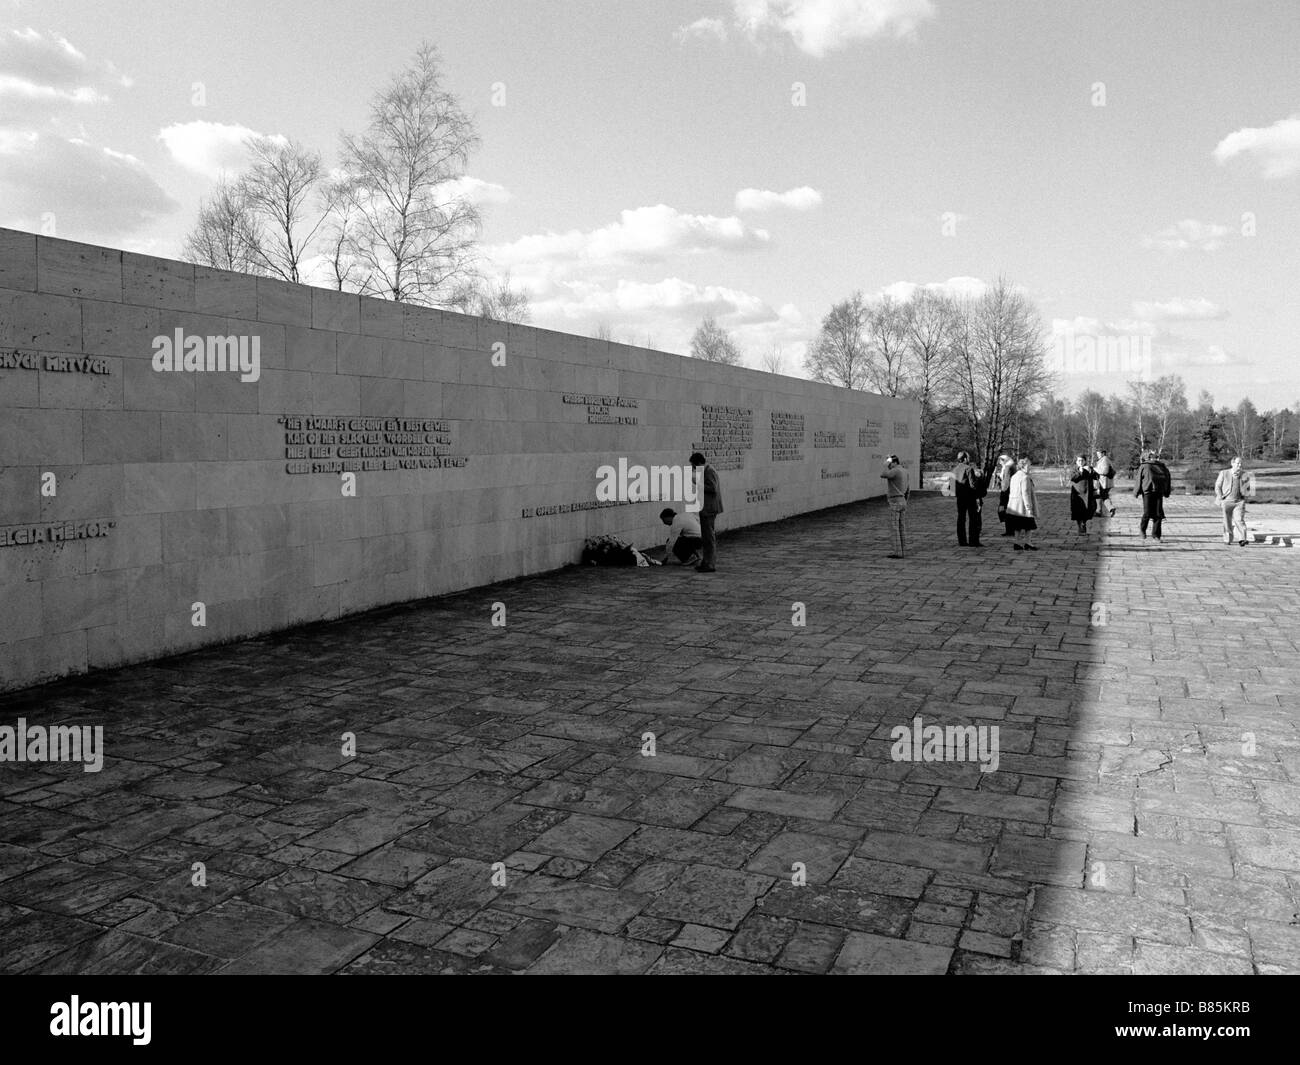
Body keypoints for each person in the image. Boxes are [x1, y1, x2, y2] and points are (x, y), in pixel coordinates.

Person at [689, 452, 722, 572]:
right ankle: (706, 562)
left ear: (698, 463)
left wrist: (697, 483)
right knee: (706, 537)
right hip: (705, 508)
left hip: (709, 508)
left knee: (709, 537)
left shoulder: (709, 471)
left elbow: (713, 488)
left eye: (693, 466)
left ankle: (710, 564)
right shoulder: (706, 470)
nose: (693, 468)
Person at [1214, 455, 1255, 547]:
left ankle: (1242, 539)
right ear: (1232, 463)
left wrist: (1245, 499)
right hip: (1226, 500)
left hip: (1239, 502)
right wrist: (1220, 498)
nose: (1240, 465)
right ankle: (1227, 539)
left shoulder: (1245, 474)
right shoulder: (1224, 473)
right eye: (1238, 463)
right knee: (1227, 521)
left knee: (1239, 520)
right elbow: (1218, 486)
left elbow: (1248, 490)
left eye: (1241, 463)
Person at [1134, 449, 1171, 542]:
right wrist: (1136, 491)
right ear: (1148, 457)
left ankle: (1156, 535)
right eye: (1152, 455)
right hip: (1147, 491)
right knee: (1147, 513)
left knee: (1158, 514)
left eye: (1155, 455)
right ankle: (1142, 530)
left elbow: (1167, 479)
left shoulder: (1162, 467)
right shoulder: (1144, 466)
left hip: (1159, 491)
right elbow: (1139, 479)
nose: (1155, 457)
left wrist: (1167, 491)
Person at [1006, 455, 1039, 551]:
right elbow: (1025, 493)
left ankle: (1017, 543)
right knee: (1029, 525)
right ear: (1023, 466)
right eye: (1028, 466)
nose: (1030, 467)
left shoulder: (1014, 476)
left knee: (1018, 526)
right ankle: (1028, 543)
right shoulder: (1025, 477)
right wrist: (1029, 507)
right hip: (1023, 507)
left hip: (1014, 506)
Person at [880, 454, 910, 558]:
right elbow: (908, 489)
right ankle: (903, 550)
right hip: (903, 500)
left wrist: (885, 464)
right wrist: (905, 500)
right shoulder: (905, 471)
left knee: (894, 527)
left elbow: (883, 474)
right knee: (902, 526)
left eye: (890, 463)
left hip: (895, 501)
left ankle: (897, 552)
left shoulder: (895, 470)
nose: (889, 465)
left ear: (894, 462)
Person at [952, 450, 983, 547]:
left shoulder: (954, 470)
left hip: (960, 498)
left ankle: (962, 541)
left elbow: (952, 487)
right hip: (970, 498)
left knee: (961, 519)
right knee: (973, 519)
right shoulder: (969, 469)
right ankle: (973, 541)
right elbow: (973, 485)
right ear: (965, 458)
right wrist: (978, 478)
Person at [1069, 454, 1099, 535]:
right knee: (1078, 511)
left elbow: (1097, 477)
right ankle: (1080, 527)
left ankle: (1084, 523)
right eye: (1079, 460)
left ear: (1085, 461)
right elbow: (1073, 478)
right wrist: (1080, 471)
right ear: (1076, 462)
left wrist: (1091, 470)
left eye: (1082, 460)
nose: (1081, 462)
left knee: (1089, 510)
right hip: (1077, 494)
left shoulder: (1089, 468)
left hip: (1088, 494)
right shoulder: (1074, 469)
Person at [992, 454, 1016, 536]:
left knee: (1005, 510)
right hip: (1010, 491)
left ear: (1004, 460)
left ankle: (1009, 531)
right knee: (1008, 511)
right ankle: (1010, 530)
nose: (999, 462)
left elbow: (1006, 481)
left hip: (1006, 491)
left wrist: (1003, 492)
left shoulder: (1007, 467)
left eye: (1000, 461)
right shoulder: (1010, 466)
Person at [1094, 449, 1117, 517]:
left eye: (1099, 454)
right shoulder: (1105, 459)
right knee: (1100, 496)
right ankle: (1099, 511)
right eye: (1097, 454)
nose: (1097, 455)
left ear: (1103, 453)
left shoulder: (1104, 460)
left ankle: (1110, 509)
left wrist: (1094, 469)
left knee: (1102, 496)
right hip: (1105, 482)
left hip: (1104, 483)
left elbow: (1104, 471)